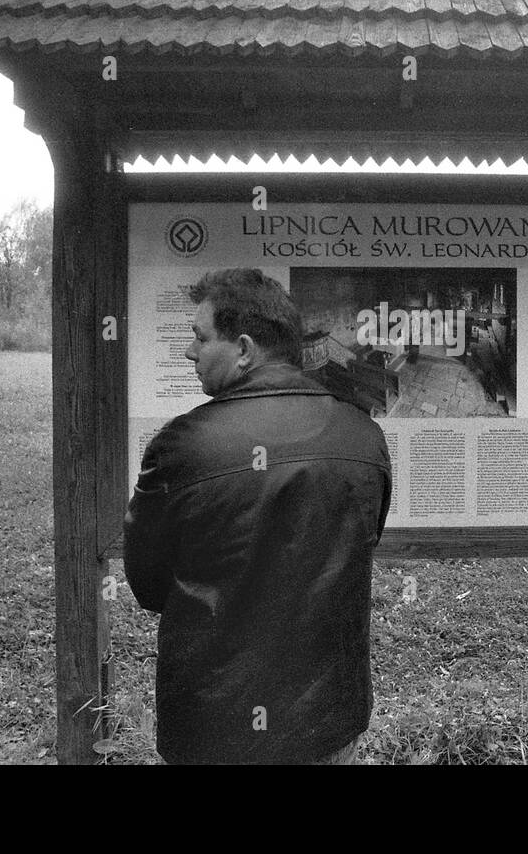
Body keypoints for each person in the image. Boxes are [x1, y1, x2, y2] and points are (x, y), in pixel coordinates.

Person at [123, 268, 392, 764]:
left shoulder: (184, 446)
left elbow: (149, 584)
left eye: (200, 339)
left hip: (216, 724)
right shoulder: (363, 434)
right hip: (327, 716)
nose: (189, 352)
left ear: (244, 350)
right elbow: (360, 544)